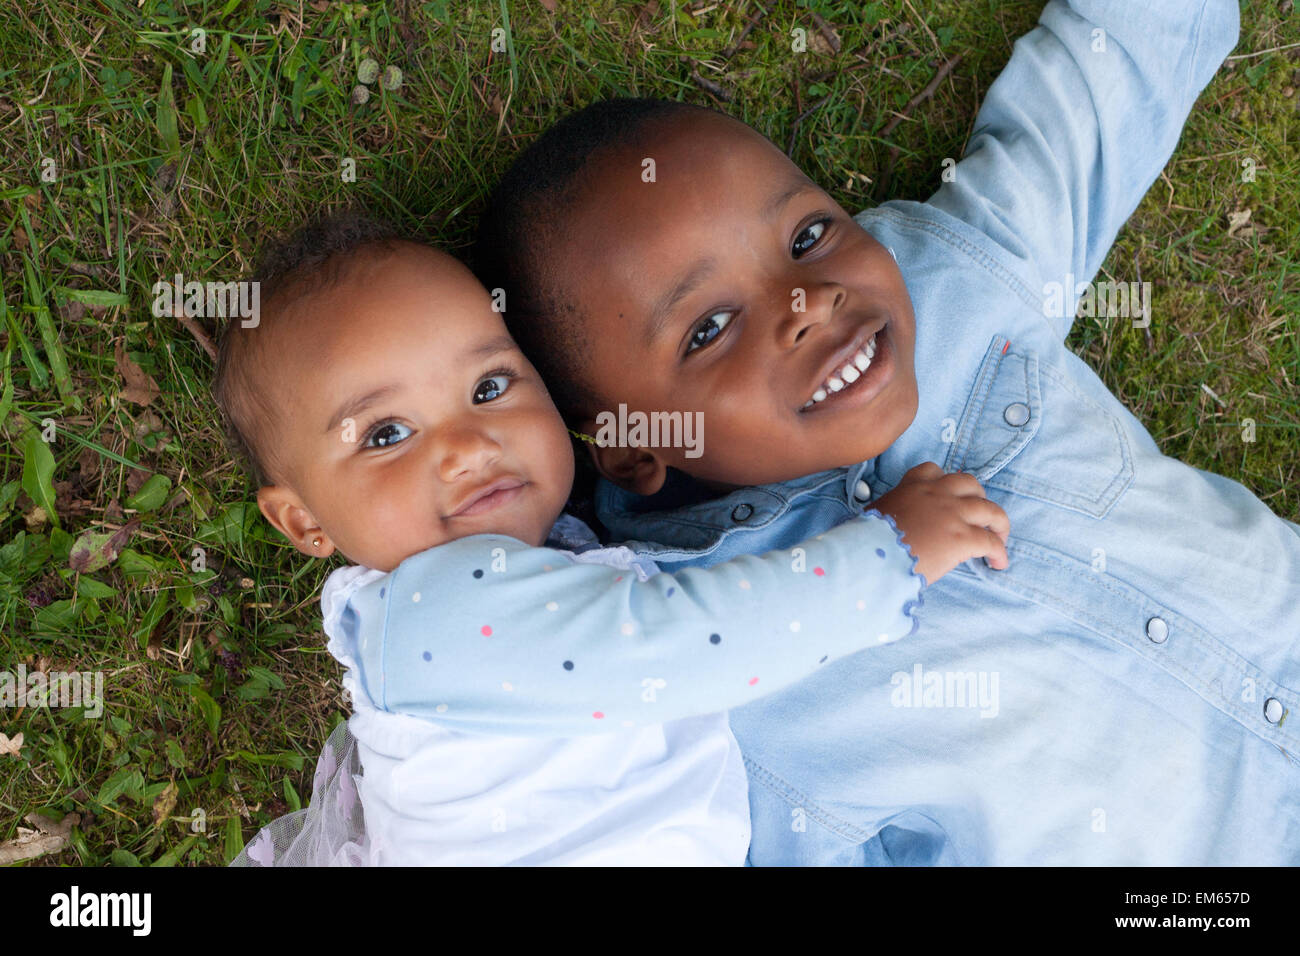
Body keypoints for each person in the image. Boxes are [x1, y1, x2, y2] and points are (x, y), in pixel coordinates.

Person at [472, 0, 1300, 863]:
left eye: (808, 235)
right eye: (710, 329)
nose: (810, 303)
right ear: (637, 447)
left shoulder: (951, 285)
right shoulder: (727, 698)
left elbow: (1103, 90)